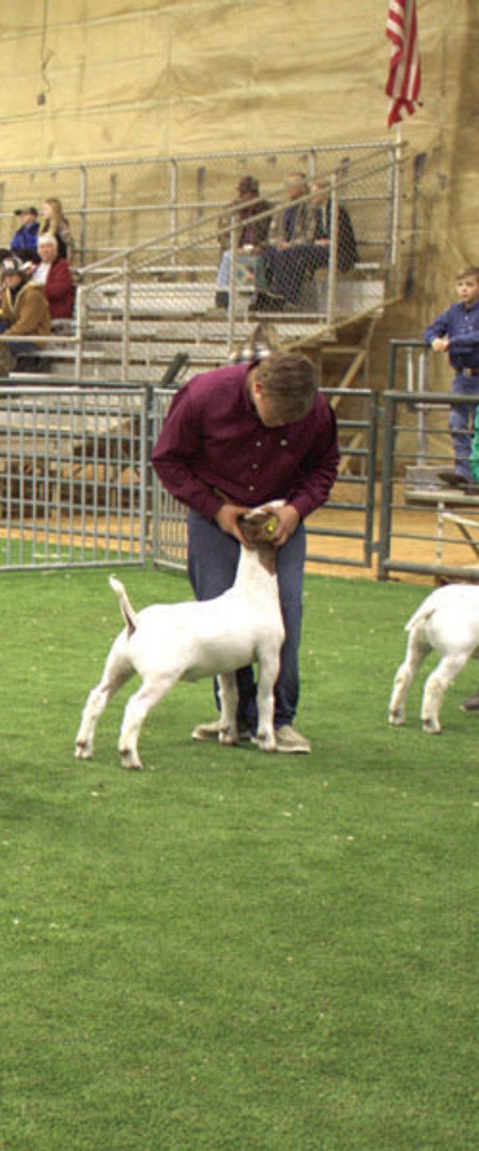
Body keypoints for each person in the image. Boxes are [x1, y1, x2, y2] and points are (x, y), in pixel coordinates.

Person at [150, 351, 339, 755]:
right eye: (278, 417)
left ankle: (279, 720)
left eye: (292, 421)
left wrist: (296, 510)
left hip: (279, 520)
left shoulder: (317, 410)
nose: (284, 426)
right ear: (258, 388)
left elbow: (324, 467)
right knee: (220, 620)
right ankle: (232, 716)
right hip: (216, 516)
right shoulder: (203, 396)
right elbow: (167, 459)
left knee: (284, 615)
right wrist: (216, 509)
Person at [257, 179, 358, 311]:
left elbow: (344, 237)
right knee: (289, 255)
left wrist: (330, 240)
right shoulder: (317, 211)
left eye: (315, 193)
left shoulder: (337, 210)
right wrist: (316, 242)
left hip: (338, 250)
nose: (312, 196)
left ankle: (288, 297)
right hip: (317, 248)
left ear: (325, 193)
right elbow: (313, 236)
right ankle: (279, 295)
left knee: (297, 252)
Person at [421, 266, 479, 486]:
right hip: (462, 377)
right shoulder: (453, 312)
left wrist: (452, 342)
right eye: (460, 285)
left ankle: (476, 472)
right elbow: (430, 330)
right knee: (457, 422)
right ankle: (464, 472)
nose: (464, 289)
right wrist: (434, 340)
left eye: (469, 285)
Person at [215, 174, 273, 311]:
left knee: (258, 260)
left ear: (255, 194)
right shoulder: (231, 210)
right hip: (237, 249)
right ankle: (222, 298)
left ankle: (259, 299)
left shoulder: (268, 210)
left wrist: (260, 247)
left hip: (258, 249)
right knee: (227, 256)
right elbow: (222, 236)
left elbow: (273, 235)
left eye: (245, 193)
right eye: (240, 193)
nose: (241, 197)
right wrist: (234, 247)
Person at [0, 257, 53, 371]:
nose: (9, 278)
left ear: (20, 275)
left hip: (34, 338)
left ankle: (4, 370)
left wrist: (4, 336)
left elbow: (26, 324)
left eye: (12, 275)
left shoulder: (33, 294)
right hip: (17, 334)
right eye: (6, 275)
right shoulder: (8, 292)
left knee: (1, 344)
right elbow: (6, 316)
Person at [32, 233, 74, 321]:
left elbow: (57, 290)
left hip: (52, 311)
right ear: (38, 250)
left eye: (48, 246)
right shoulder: (35, 266)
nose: (45, 250)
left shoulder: (62, 266)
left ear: (55, 249)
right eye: (41, 247)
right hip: (33, 309)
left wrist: (32, 291)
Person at [38, 198, 74, 262]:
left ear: (53, 210)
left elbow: (69, 244)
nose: (43, 212)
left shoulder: (60, 224)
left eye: (46, 209)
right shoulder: (45, 224)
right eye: (43, 209)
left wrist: (68, 261)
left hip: (59, 258)